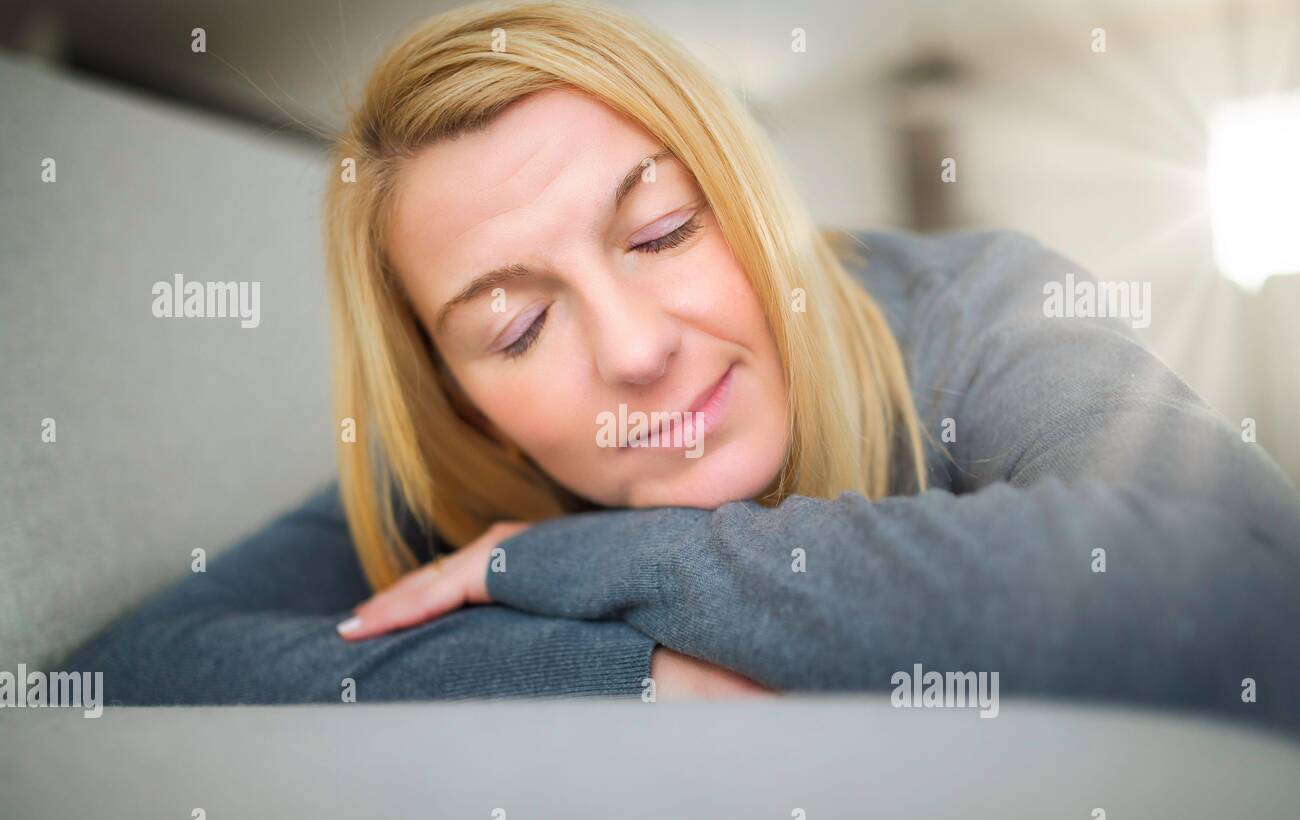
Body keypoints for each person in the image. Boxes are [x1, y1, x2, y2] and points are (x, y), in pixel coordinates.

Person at [66, 1, 1300, 726]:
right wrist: (618, 665)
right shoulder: (461, 470)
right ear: (467, 404)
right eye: (516, 328)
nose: (638, 348)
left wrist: (552, 561)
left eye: (662, 231)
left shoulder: (982, 304)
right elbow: (122, 674)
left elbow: (1248, 591)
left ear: (751, 204)